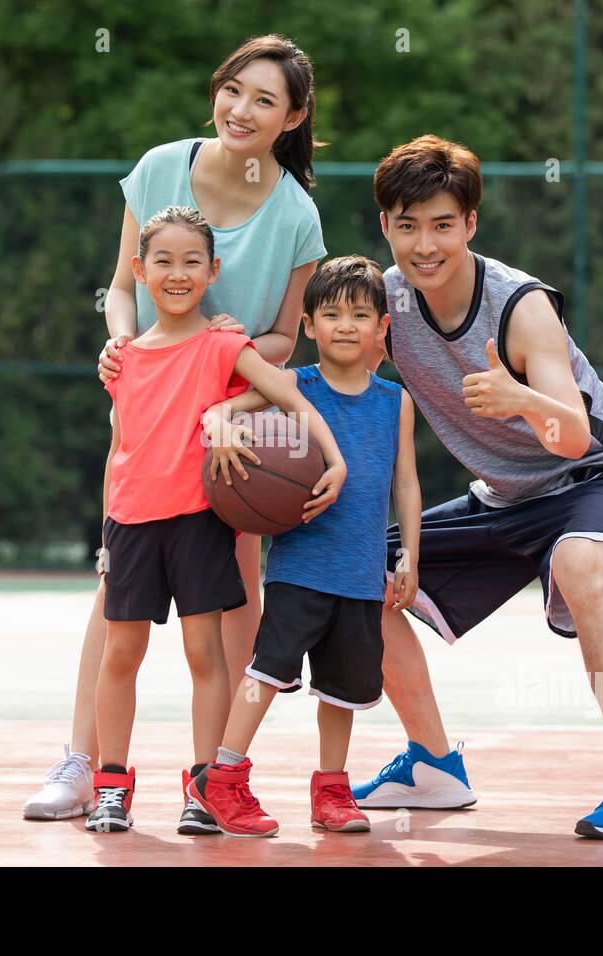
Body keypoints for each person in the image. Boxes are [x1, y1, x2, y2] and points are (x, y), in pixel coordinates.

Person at [24, 35, 328, 828]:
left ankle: (216, 780)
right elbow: (122, 289)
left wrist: (225, 368)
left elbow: (286, 343)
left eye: (266, 100)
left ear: (292, 119)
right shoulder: (161, 166)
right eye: (234, 90)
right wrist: (122, 345)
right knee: (113, 601)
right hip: (151, 415)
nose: (242, 109)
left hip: (236, 431)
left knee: (234, 610)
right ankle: (86, 765)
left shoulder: (297, 214)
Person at [352, 135, 603, 839]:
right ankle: (433, 764)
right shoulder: (387, 304)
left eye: (442, 225)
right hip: (503, 495)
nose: (425, 244)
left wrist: (521, 399)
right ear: (386, 227)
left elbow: (574, 437)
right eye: (407, 226)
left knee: (578, 562)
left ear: (470, 224)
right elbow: (328, 365)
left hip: (598, 474)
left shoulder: (520, 308)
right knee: (359, 574)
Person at [85, 206, 347, 833]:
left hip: (200, 523)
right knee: (121, 653)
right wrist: (104, 536)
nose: (178, 274)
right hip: (130, 524)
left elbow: (290, 391)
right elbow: (118, 448)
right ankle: (110, 784)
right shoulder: (123, 359)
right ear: (139, 271)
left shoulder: (224, 346)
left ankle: (203, 787)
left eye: (192, 261)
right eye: (164, 262)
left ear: (214, 270)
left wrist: (333, 459)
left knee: (205, 653)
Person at [183, 256, 421, 836]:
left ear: (381, 328)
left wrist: (408, 552)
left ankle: (332, 791)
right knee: (265, 673)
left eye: (360, 314)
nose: (345, 325)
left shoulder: (396, 402)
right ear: (309, 325)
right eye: (332, 313)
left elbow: (406, 481)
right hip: (299, 571)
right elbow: (218, 412)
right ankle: (224, 775)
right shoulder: (291, 387)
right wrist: (226, 434)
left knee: (343, 692)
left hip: (363, 574)